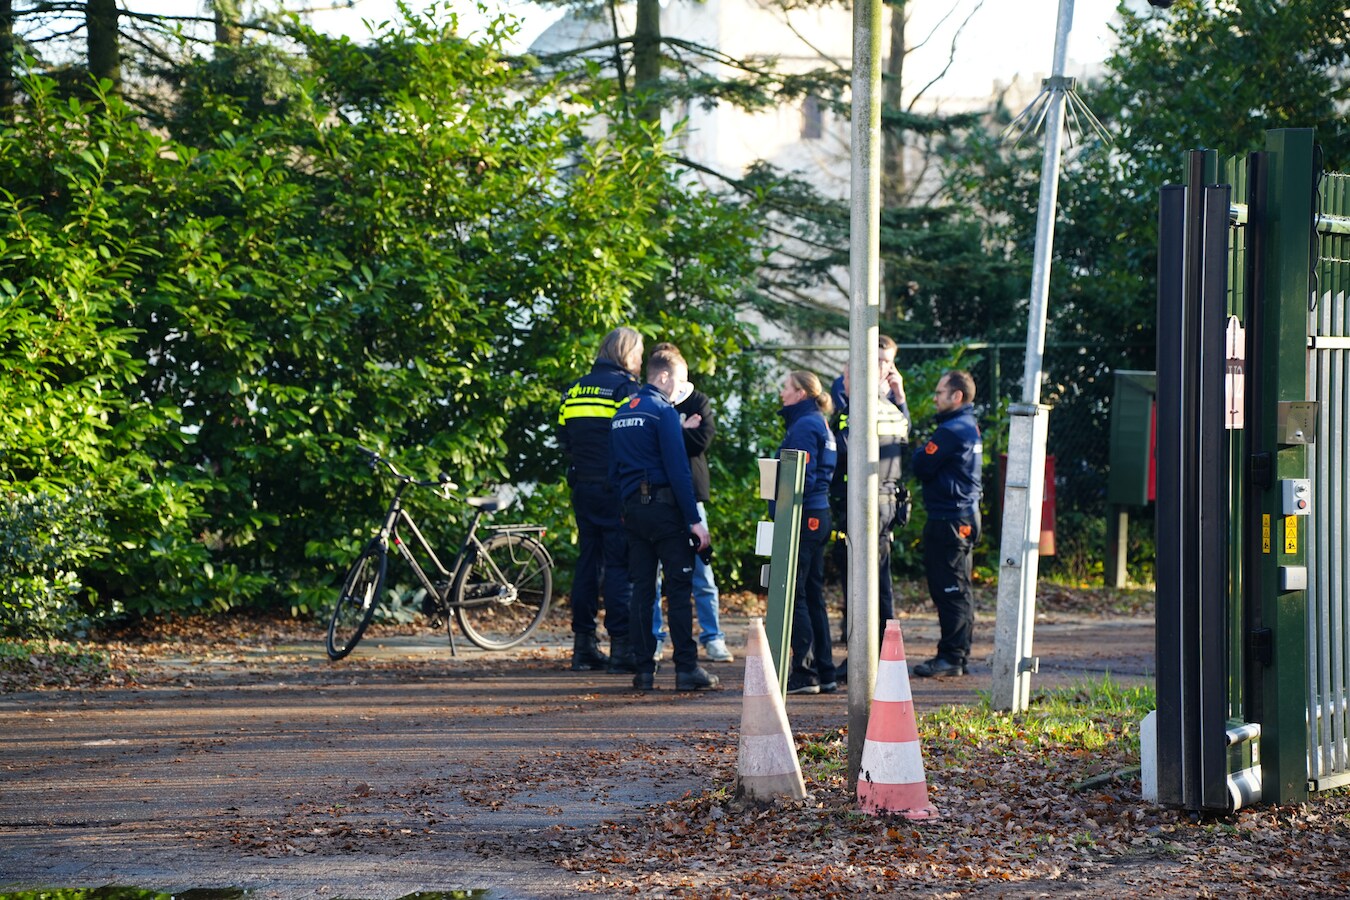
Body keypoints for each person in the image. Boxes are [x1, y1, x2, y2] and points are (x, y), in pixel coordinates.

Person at [609, 346, 719, 692]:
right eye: (680, 381)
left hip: (634, 513)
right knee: (679, 588)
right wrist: (694, 520)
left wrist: (624, 511)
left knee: (642, 591)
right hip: (666, 512)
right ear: (664, 376)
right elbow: (678, 470)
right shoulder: (663, 412)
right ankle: (686, 668)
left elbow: (614, 471)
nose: (680, 390)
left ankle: (644, 670)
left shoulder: (622, 412)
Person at [557, 326, 643, 674]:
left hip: (583, 487)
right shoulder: (625, 389)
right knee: (619, 566)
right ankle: (621, 648)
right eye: (638, 354)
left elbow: (563, 437)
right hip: (615, 488)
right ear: (626, 353)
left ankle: (584, 646)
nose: (640, 361)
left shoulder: (574, 389)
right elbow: (632, 438)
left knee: (588, 563)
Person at [648, 343, 733, 665]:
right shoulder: (654, 404)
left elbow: (702, 440)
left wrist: (672, 434)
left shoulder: (697, 400)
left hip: (692, 495)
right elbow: (651, 444)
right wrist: (679, 429)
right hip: (659, 496)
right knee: (655, 575)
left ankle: (713, 638)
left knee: (702, 574)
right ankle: (656, 639)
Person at [829, 335, 911, 664]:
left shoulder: (858, 411)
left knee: (859, 582)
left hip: (864, 503)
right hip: (888, 500)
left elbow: (843, 452)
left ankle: (862, 660)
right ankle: (883, 652)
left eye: (847, 376)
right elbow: (904, 437)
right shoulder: (892, 409)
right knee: (880, 580)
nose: (843, 383)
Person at [910, 370, 983, 678]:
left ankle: (952, 657)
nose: (935, 398)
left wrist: (920, 451)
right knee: (955, 587)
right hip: (960, 515)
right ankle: (955, 655)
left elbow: (920, 465)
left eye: (940, 392)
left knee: (952, 589)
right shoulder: (966, 425)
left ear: (957, 396)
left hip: (951, 519)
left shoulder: (952, 430)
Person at [773, 370, 838, 695]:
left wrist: (782, 510)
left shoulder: (804, 426)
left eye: (786, 387)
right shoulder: (818, 422)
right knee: (813, 594)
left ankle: (805, 670)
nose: (782, 393)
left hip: (805, 515)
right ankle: (824, 670)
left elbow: (800, 477)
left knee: (796, 593)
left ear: (800, 393)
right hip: (818, 514)